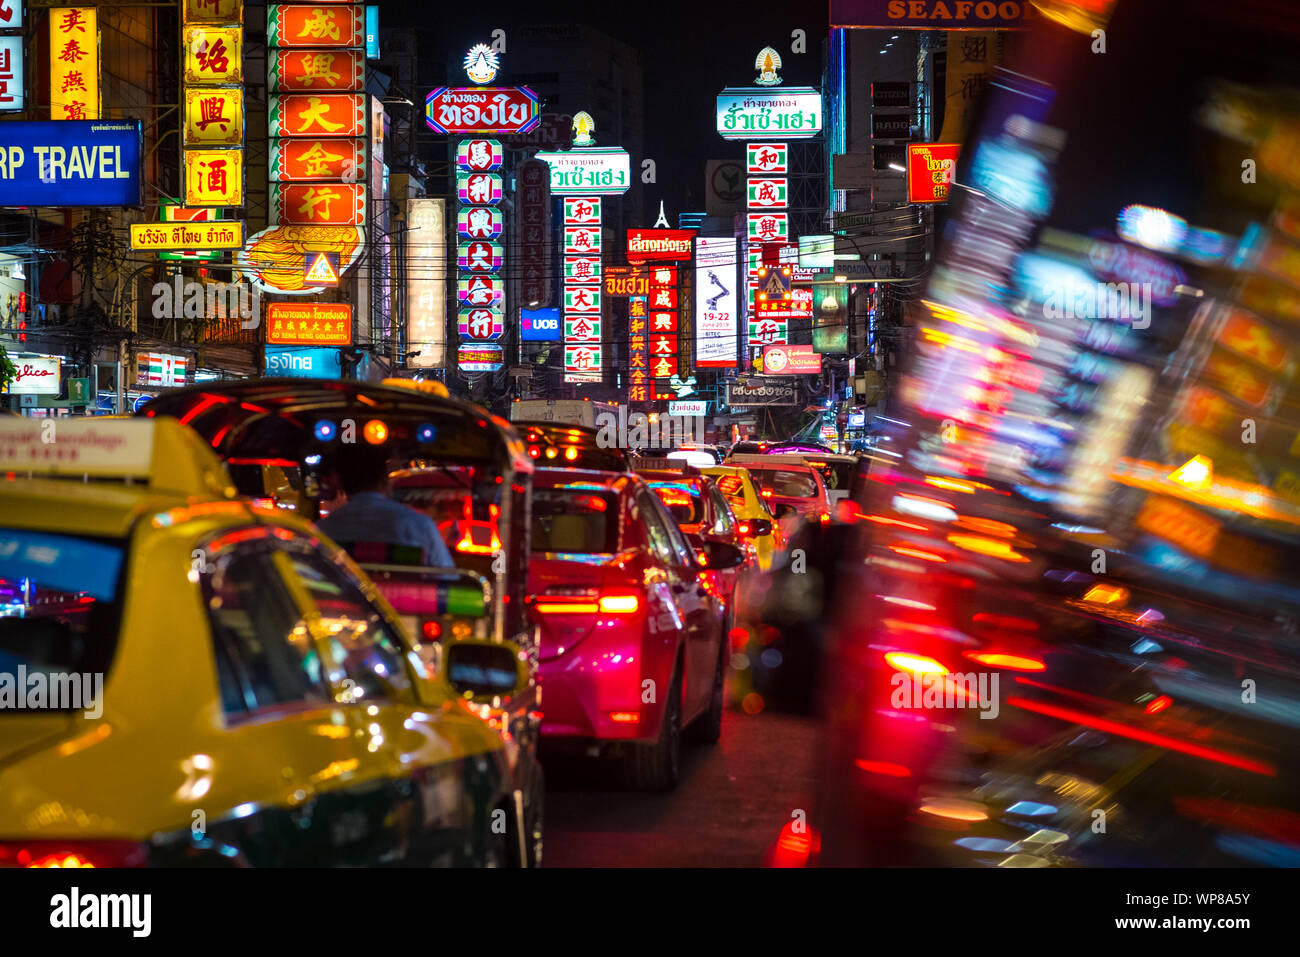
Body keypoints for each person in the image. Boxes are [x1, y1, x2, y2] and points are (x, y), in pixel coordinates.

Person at [317, 446, 455, 568]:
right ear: (384, 482)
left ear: (340, 483)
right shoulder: (420, 526)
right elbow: (447, 576)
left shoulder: (322, 532)